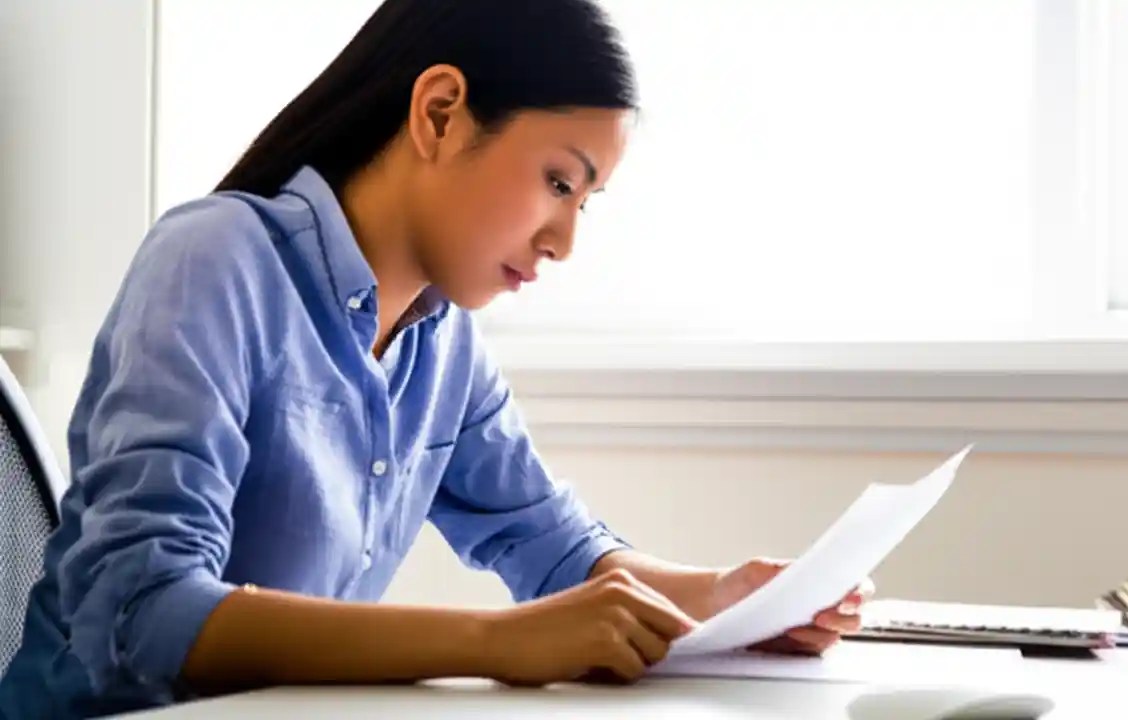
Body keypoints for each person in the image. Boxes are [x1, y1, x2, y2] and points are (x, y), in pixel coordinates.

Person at [0, 1, 870, 716]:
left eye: (587, 201)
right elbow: (144, 613)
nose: (565, 240)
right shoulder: (214, 260)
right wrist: (494, 643)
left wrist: (726, 598)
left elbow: (555, 548)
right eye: (560, 183)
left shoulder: (440, 340)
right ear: (440, 112)